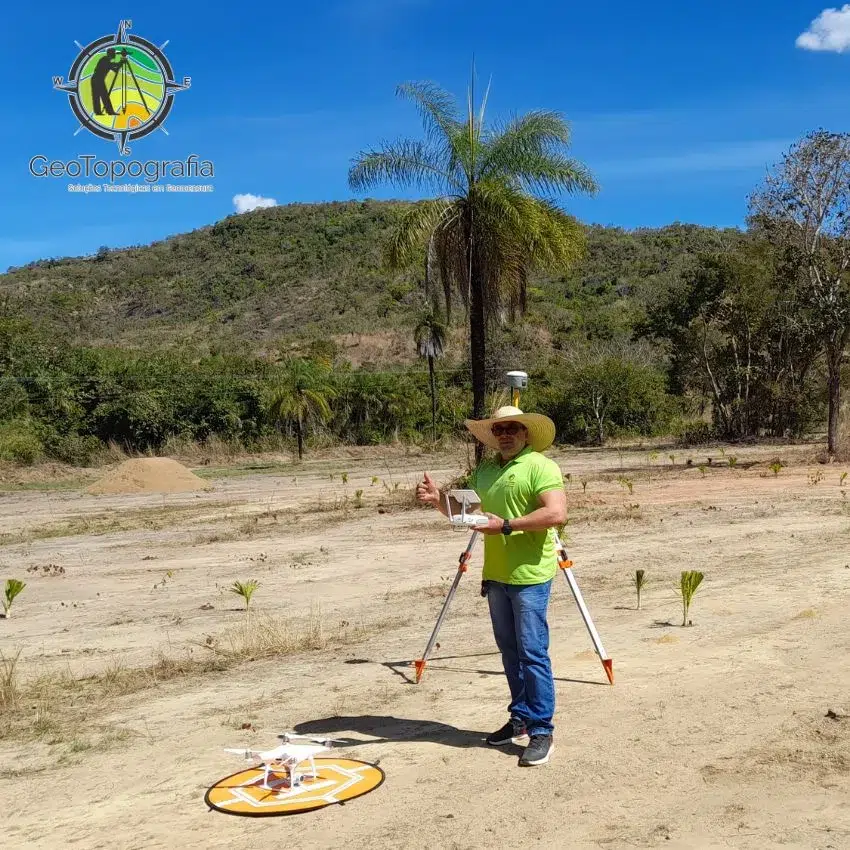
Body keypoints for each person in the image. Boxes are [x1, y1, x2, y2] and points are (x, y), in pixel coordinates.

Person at [416, 405, 566, 767]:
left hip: (530, 575)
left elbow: (556, 513)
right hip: (496, 575)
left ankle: (542, 729)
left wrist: (508, 526)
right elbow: (473, 516)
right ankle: (520, 718)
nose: (505, 434)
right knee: (510, 653)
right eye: (499, 429)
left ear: (526, 433)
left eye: (513, 428)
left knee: (532, 653)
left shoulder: (541, 466)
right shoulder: (486, 469)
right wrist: (439, 501)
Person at [91, 48, 122, 116]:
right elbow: (113, 66)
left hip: (98, 79)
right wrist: (120, 63)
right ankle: (105, 112)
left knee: (101, 96)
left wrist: (120, 64)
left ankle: (101, 112)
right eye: (114, 53)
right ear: (111, 53)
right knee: (102, 96)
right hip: (97, 79)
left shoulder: (106, 60)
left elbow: (115, 69)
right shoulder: (105, 59)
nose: (115, 55)